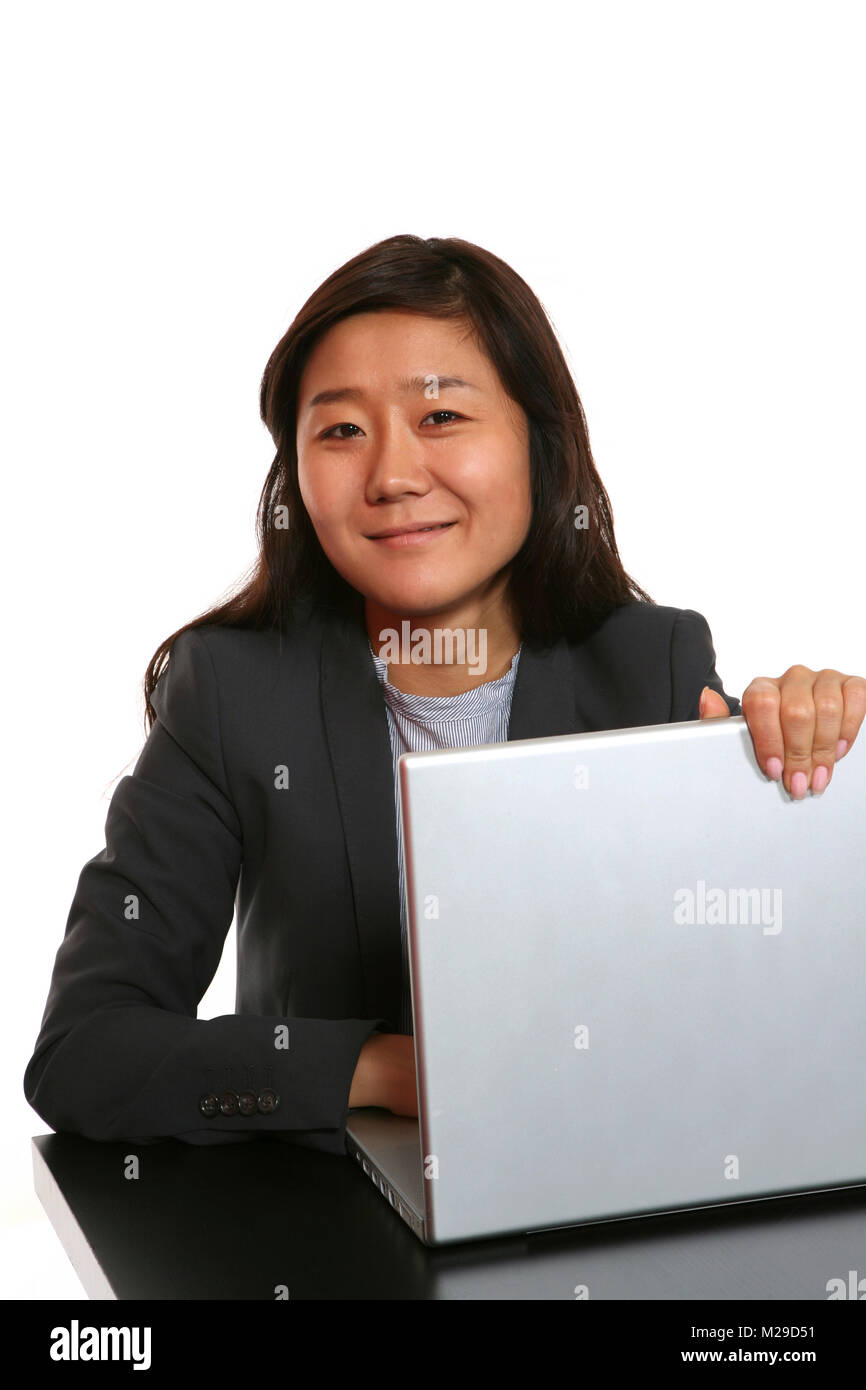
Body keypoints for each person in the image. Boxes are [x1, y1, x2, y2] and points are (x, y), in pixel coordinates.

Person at [23, 234, 865, 1156]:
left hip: (597, 1194)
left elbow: (765, 1013)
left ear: (541, 444)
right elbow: (85, 1050)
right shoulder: (229, 691)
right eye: (340, 430)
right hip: (317, 1238)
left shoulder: (652, 667)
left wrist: (808, 760)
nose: (390, 476)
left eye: (441, 419)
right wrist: (396, 1072)